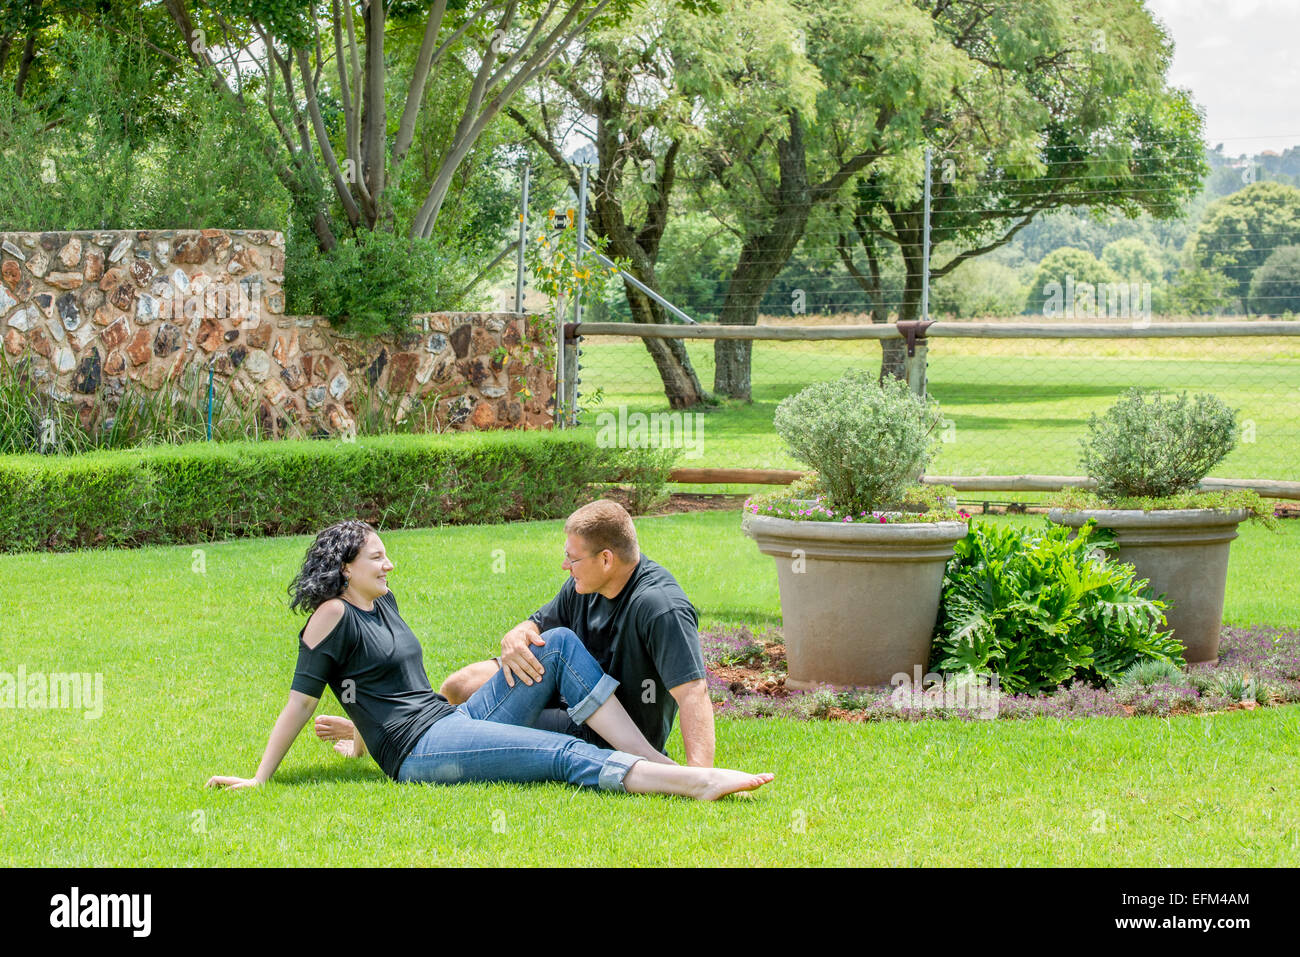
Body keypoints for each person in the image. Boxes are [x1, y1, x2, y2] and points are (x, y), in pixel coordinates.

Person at [206, 520, 773, 800]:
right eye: (378, 558)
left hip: (448, 722)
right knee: (564, 752)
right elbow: (301, 700)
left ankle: (660, 761)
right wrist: (260, 778)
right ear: (347, 567)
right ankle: (690, 784)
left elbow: (388, 687)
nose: (390, 566)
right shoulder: (330, 614)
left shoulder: (383, 603)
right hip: (419, 753)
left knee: (558, 647)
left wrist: (357, 735)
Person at [319, 500, 716, 766]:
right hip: (561, 695)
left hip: (604, 730)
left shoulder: (659, 606)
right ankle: (384, 728)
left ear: (607, 559)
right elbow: (536, 624)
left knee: (483, 730)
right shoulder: (583, 587)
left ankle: (375, 732)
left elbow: (693, 693)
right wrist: (516, 635)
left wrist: (700, 773)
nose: (565, 565)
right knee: (461, 684)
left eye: (572, 558)